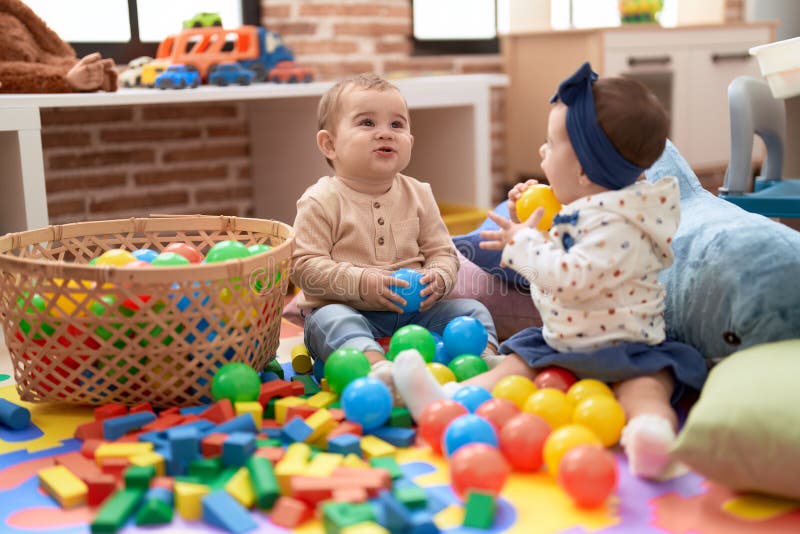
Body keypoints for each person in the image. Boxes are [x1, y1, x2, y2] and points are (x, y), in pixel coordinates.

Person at [393, 62, 708, 479]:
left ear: (582, 172)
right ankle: (447, 397)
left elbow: (570, 277)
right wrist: (537, 216)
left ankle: (651, 435)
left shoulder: (617, 226)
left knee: (648, 388)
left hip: (620, 345)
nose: (541, 153)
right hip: (570, 342)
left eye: (549, 144)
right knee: (514, 369)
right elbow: (574, 228)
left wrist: (522, 243)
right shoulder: (614, 203)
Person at [291, 73, 499, 400]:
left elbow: (443, 252)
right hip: (348, 307)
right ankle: (380, 372)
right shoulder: (320, 200)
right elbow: (304, 268)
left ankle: (483, 364)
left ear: (409, 143)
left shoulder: (419, 193)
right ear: (329, 144)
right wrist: (363, 282)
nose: (385, 132)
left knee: (472, 311)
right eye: (367, 123)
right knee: (331, 320)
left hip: (413, 313)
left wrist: (439, 277)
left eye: (397, 125)